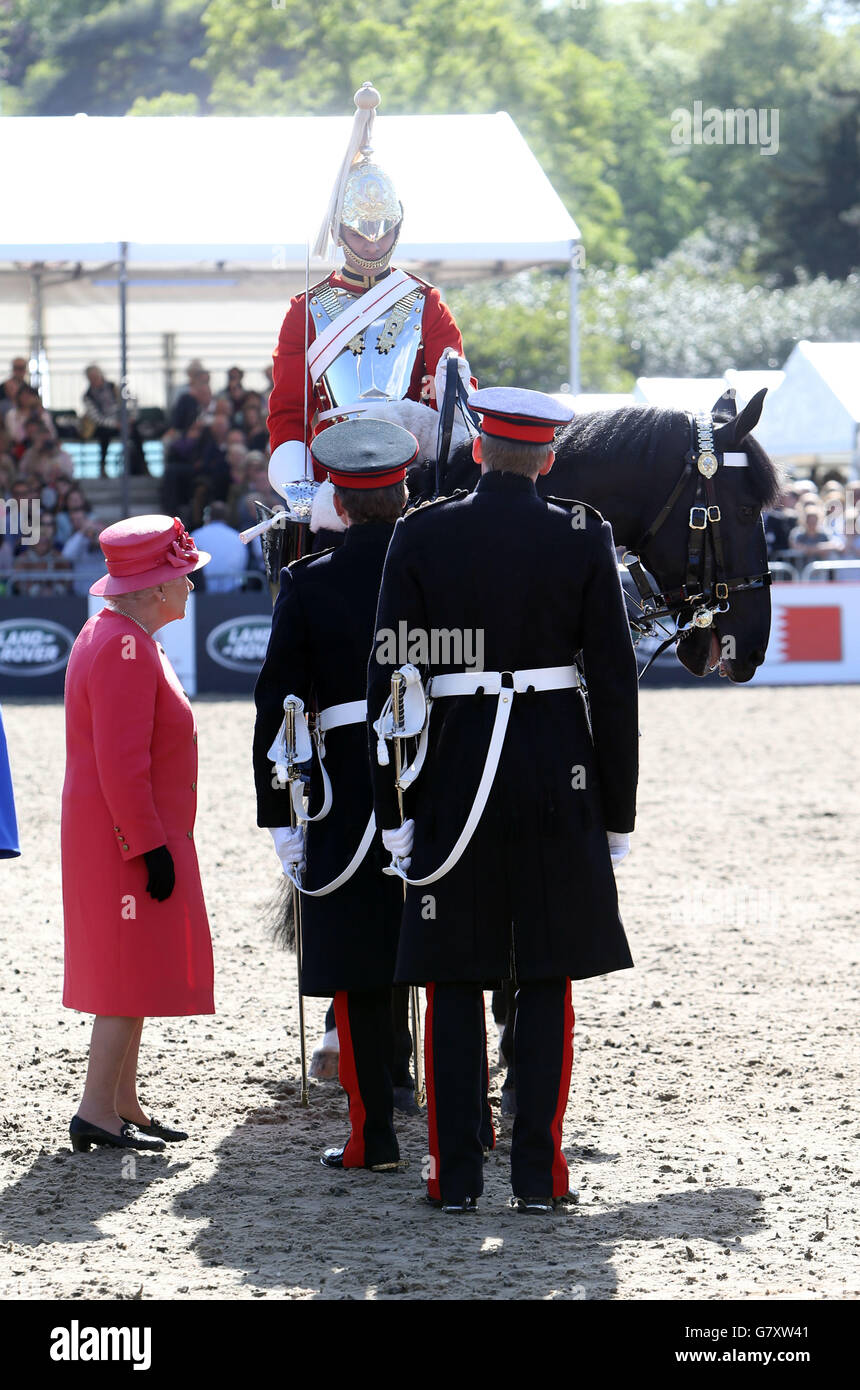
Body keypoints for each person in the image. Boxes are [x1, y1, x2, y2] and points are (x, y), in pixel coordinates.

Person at [368, 387, 640, 1214]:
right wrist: (618, 811)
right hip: (559, 770)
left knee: (453, 974)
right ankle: (539, 1177)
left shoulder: (423, 530)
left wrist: (393, 809)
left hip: (454, 773)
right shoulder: (582, 533)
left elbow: (389, 679)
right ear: (548, 458)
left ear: (480, 451)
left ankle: (453, 1179)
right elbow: (616, 682)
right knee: (549, 972)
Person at [253, 418, 419, 1170]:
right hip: (432, 776)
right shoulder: (437, 573)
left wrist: (277, 815)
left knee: (354, 963)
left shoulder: (309, 582)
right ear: (406, 493)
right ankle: (461, 1125)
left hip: (345, 787)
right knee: (448, 955)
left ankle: (370, 1134)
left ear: (340, 507)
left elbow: (275, 704)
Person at [62, 515, 214, 1153]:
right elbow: (123, 765)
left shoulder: (118, 635)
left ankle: (122, 1103)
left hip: (121, 831)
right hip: (127, 835)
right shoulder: (122, 644)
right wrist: (148, 847)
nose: (190, 588)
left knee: (136, 967)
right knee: (125, 975)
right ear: (155, 587)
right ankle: (97, 1110)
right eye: (183, 577)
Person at [266, 83, 473, 508]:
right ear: (339, 230)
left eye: (385, 232)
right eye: (362, 233)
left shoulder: (426, 302)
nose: (374, 245)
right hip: (332, 478)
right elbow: (289, 412)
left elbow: (457, 392)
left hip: (411, 473)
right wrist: (300, 489)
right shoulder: (304, 311)